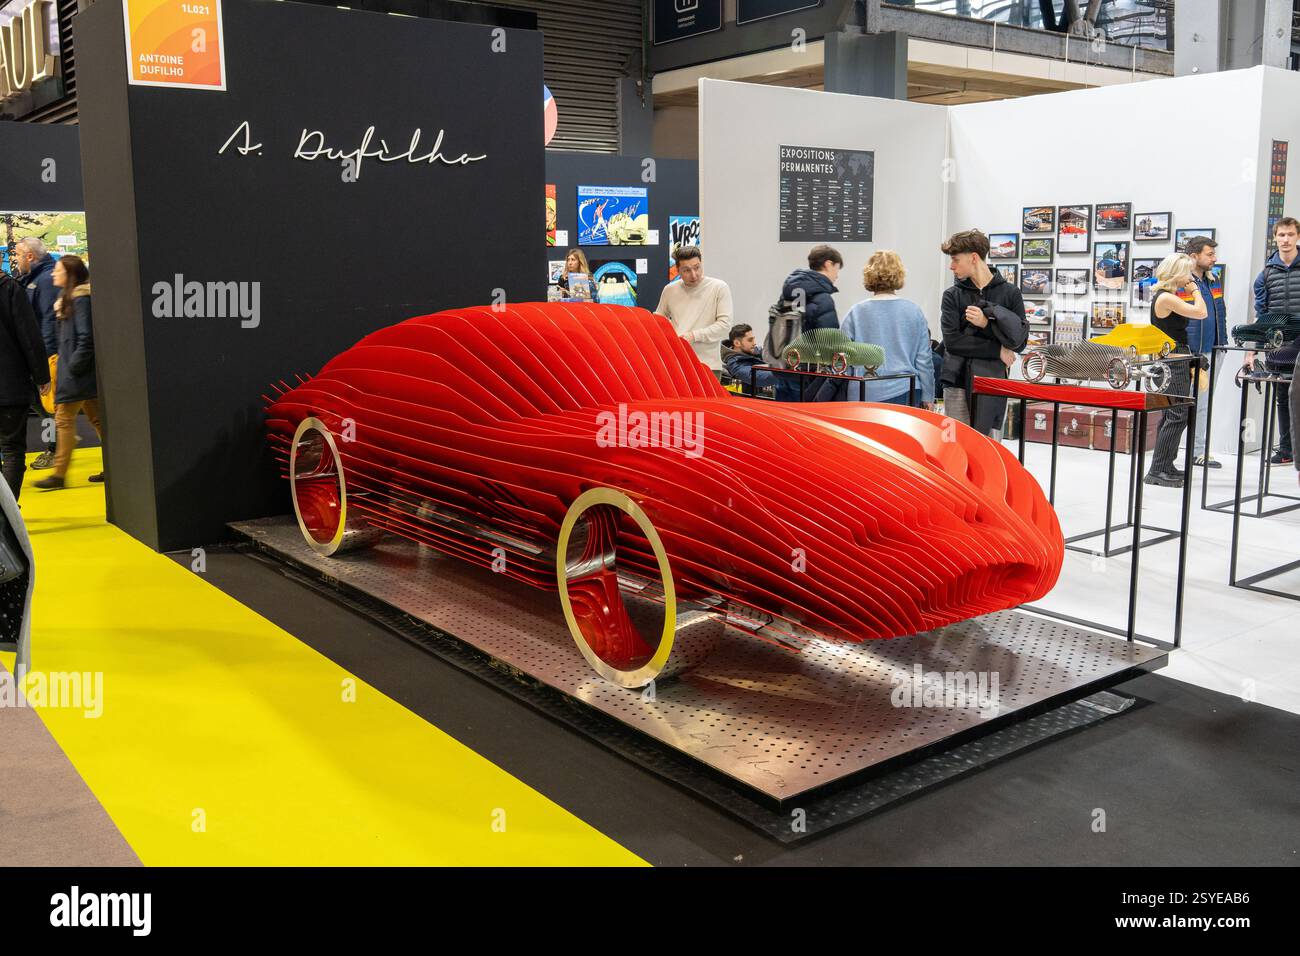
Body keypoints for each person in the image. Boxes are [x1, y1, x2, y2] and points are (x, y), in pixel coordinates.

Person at [938, 230, 1027, 434]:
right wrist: (998, 351)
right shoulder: (952, 296)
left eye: (955, 260)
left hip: (992, 385)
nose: (951, 266)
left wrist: (986, 324)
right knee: (955, 449)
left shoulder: (1011, 294)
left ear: (974, 257)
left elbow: (1019, 342)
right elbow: (953, 342)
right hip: (957, 385)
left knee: (990, 449)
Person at [33, 256, 103, 490]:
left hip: (77, 374)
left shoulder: (80, 299)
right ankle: (116, 466)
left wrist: (72, 367)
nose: (54, 274)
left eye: (58, 270)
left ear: (70, 274)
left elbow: (86, 338)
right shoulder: (70, 299)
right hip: (79, 372)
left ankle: (59, 474)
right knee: (98, 420)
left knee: (63, 419)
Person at [840, 250, 935, 407]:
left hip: (863, 391)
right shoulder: (914, 312)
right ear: (899, 275)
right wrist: (928, 396)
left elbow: (843, 360)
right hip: (905, 390)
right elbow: (924, 360)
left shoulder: (855, 313)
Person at [1145, 253, 1207, 488]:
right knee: (1177, 415)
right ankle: (1158, 469)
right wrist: (1196, 291)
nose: (1190, 277)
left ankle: (1164, 464)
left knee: (1173, 414)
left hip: (1175, 358)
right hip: (1172, 361)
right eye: (1187, 273)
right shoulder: (1165, 298)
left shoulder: (1166, 296)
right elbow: (1201, 312)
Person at [1250, 217, 1300, 466]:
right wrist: (1254, 350)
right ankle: (1287, 450)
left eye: (1290, 234)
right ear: (1275, 238)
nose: (1286, 239)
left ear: (1298, 237)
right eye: (1281, 235)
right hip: (1279, 345)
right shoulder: (1265, 275)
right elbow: (1262, 314)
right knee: (1282, 397)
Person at [0, 265, 52, 499]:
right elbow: (29, 336)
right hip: (9, 384)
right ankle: (8, 521)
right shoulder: (11, 289)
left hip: (9, 384)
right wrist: (42, 376)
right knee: (12, 450)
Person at [772, 245, 843, 401]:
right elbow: (828, 341)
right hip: (807, 375)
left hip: (783, 367)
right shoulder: (822, 298)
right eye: (837, 269)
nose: (837, 276)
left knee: (783, 420)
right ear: (828, 264)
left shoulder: (789, 293)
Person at [13, 238, 58, 470]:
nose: (16, 259)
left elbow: (49, 322)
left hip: (48, 358)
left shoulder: (46, 280)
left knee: (49, 407)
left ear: (30, 256)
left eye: (18, 254)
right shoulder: (31, 279)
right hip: (39, 357)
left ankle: (54, 449)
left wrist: (46, 361)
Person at [653, 245, 733, 373]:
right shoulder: (670, 290)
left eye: (697, 268)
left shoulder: (719, 288)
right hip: (676, 363)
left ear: (701, 263)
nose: (694, 275)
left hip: (708, 365)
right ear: (678, 270)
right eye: (686, 270)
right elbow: (658, 320)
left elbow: (725, 326)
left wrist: (694, 336)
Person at [1183, 237, 1225, 468]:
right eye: (1209, 254)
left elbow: (1221, 312)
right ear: (1194, 256)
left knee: (1204, 403)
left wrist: (1223, 342)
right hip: (1194, 353)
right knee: (1191, 403)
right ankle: (1192, 451)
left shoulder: (1212, 280)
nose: (1214, 258)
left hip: (1215, 349)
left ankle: (1198, 450)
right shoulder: (1182, 282)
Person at [720, 324, 777, 394]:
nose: (754, 343)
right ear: (737, 343)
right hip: (758, 401)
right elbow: (757, 377)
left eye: (753, 339)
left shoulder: (753, 352)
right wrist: (786, 373)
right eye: (750, 340)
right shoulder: (735, 363)